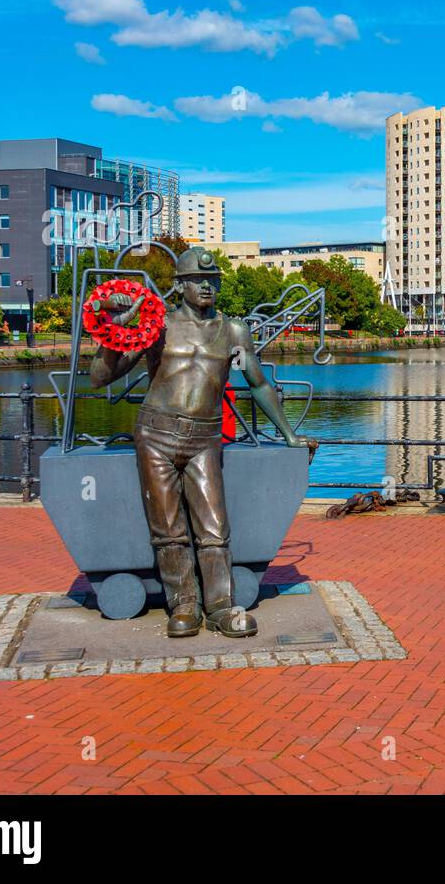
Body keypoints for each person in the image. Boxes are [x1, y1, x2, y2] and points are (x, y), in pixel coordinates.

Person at [89, 248, 313, 638]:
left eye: (213, 281)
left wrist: (289, 435)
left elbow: (258, 383)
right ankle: (184, 606)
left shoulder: (234, 332)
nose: (207, 287)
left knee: (214, 527)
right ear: (180, 286)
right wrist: (116, 331)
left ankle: (221, 608)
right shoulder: (156, 326)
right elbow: (99, 378)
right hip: (156, 434)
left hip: (205, 437)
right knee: (168, 528)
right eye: (198, 280)